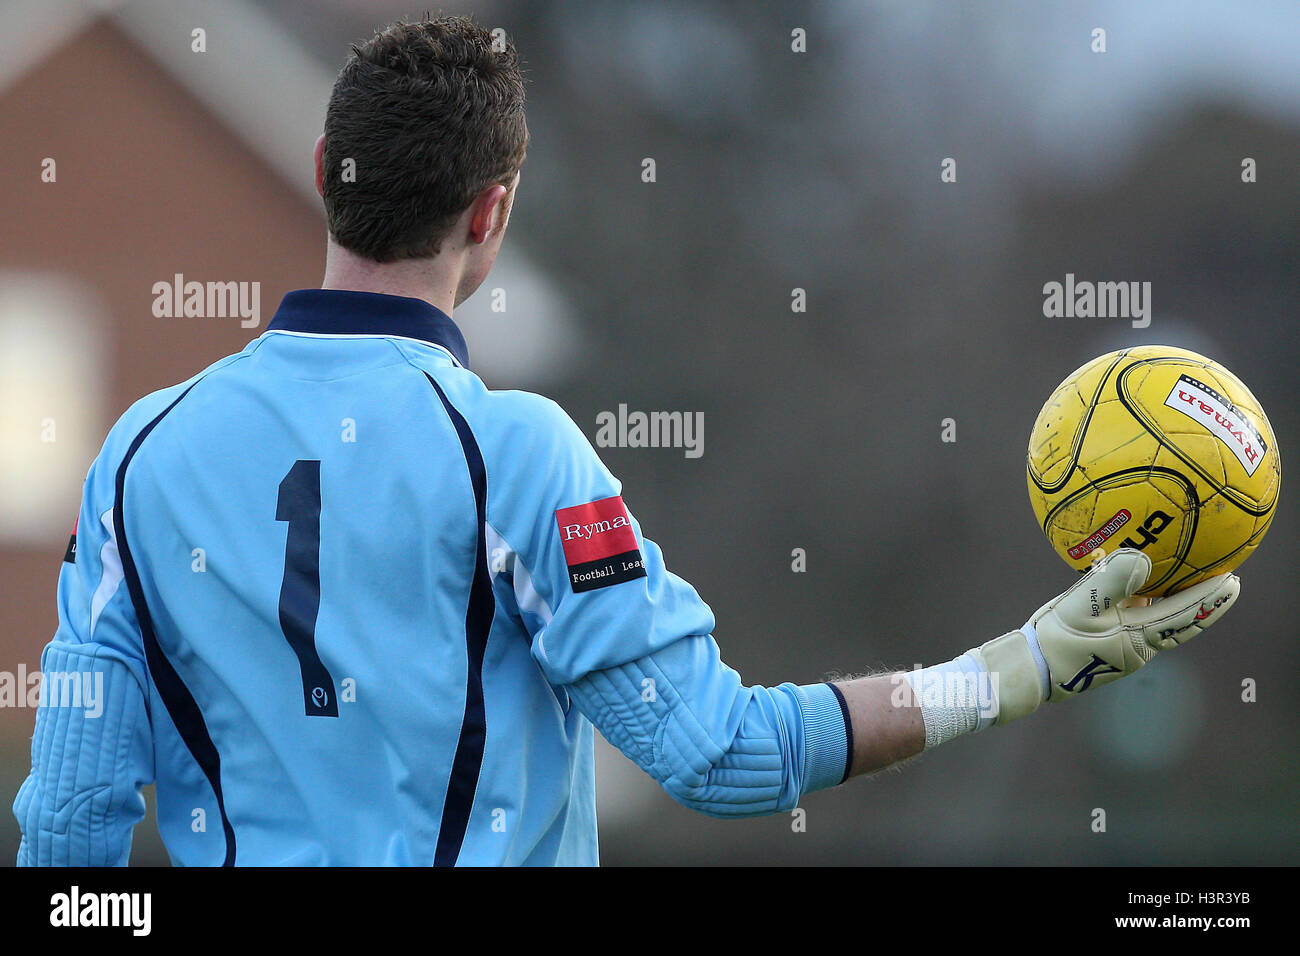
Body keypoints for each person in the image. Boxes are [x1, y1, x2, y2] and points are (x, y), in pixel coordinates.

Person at [13, 15, 1240, 867]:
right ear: (491, 213)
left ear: (323, 170)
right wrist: (1018, 665)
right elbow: (722, 754)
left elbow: (70, 832)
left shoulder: (138, 455)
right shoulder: (518, 456)